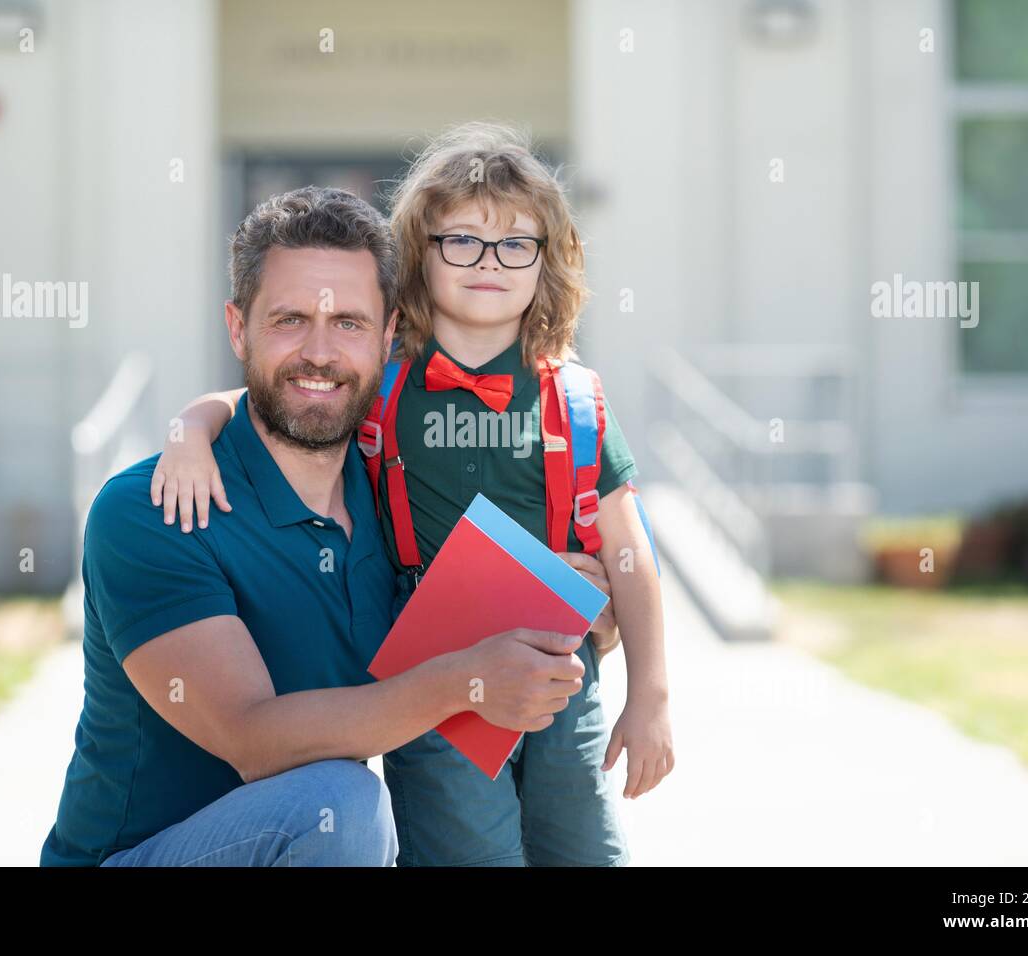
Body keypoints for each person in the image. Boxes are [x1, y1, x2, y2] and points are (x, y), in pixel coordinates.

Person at [154, 122, 672, 867]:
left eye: (514, 244)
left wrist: (650, 695)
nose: (488, 262)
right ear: (418, 259)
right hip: (435, 677)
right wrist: (187, 429)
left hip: (565, 667)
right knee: (467, 851)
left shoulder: (577, 398)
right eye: (460, 241)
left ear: (546, 261)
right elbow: (266, 397)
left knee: (584, 849)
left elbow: (630, 552)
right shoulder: (384, 384)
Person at [40, 185, 604, 866]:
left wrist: (567, 611)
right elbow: (254, 741)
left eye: (349, 324)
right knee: (341, 805)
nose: (319, 353)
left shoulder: (394, 494)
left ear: (389, 334)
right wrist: (463, 681)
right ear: (237, 327)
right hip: (145, 855)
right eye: (289, 320)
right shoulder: (154, 509)